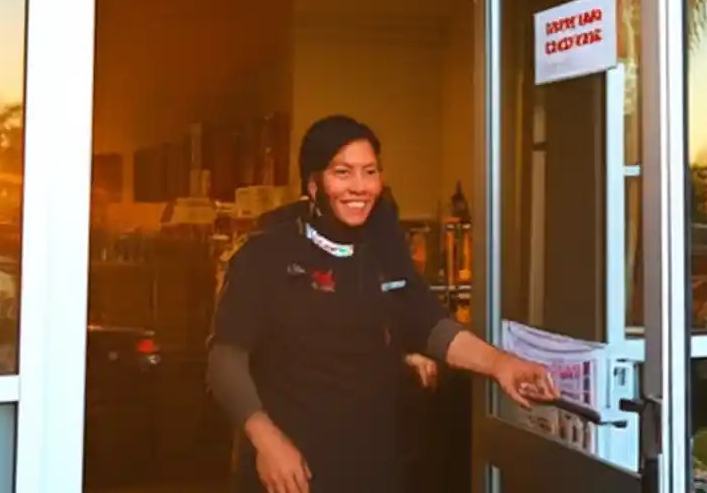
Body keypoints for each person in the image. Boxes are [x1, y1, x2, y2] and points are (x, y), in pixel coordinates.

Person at [208, 115, 557, 493]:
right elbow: (224, 359)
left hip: (371, 467)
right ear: (313, 183)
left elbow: (429, 327)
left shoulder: (384, 248)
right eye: (343, 172)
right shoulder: (266, 254)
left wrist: (502, 364)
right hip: (289, 470)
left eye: (369, 172)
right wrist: (266, 440)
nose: (359, 187)